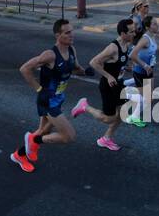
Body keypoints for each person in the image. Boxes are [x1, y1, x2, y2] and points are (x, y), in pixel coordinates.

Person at [9, 19, 95, 173]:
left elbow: (74, 68)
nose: (71, 35)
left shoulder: (71, 50)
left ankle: (19, 155)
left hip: (58, 98)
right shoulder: (50, 55)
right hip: (47, 100)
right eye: (67, 32)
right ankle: (33, 140)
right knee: (69, 136)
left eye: (72, 31)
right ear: (58, 35)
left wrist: (85, 71)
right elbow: (24, 69)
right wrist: (39, 89)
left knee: (44, 131)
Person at [71, 17, 135, 151]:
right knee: (109, 119)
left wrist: (126, 67)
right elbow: (93, 62)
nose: (134, 34)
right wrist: (108, 76)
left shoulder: (126, 45)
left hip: (118, 84)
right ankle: (85, 106)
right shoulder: (113, 48)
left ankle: (106, 139)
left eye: (134, 31)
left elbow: (118, 62)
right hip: (108, 86)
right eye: (131, 32)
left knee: (122, 113)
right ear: (123, 34)